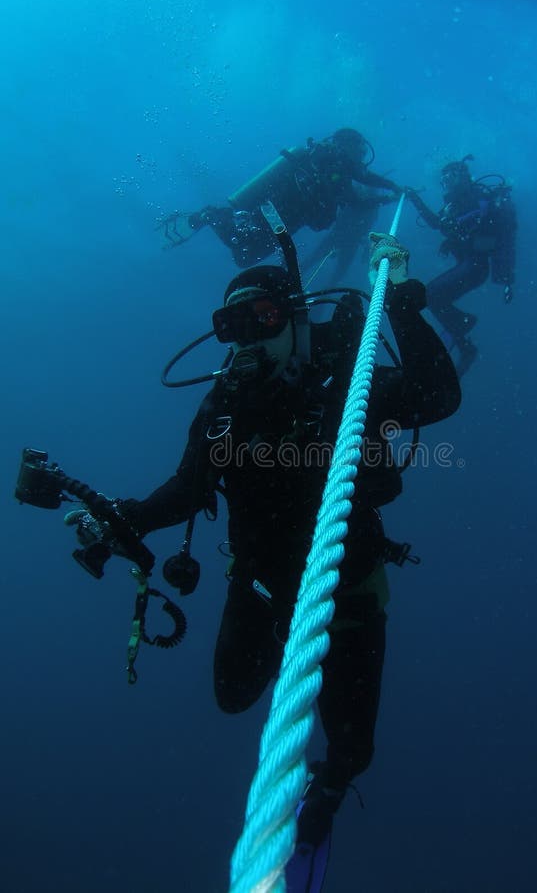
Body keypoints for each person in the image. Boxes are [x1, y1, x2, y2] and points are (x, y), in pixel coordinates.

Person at [67, 229, 460, 888]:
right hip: (256, 585)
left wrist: (401, 308)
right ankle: (295, 682)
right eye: (233, 324)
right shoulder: (224, 405)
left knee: (351, 750)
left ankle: (326, 793)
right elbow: (186, 489)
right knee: (230, 696)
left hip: (350, 590)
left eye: (264, 316)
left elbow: (435, 397)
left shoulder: (344, 379)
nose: (249, 335)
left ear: (295, 315)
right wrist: (121, 518)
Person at [158, 128, 401, 268]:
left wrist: (388, 196)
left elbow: (358, 194)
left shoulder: (339, 174)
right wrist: (390, 187)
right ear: (347, 145)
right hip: (275, 211)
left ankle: (216, 216)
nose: (360, 156)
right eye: (358, 150)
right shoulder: (328, 160)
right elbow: (364, 177)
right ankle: (212, 214)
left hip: (289, 221)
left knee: (244, 257)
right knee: (243, 253)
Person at [406, 154, 517, 376]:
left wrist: (506, 279)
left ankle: (463, 327)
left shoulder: (478, 197)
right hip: (469, 265)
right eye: (443, 177)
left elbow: (490, 229)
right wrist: (415, 199)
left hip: (476, 267)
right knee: (434, 297)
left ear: (462, 176)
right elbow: (438, 224)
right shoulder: (454, 203)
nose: (445, 181)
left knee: (431, 295)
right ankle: (465, 345)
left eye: (449, 175)